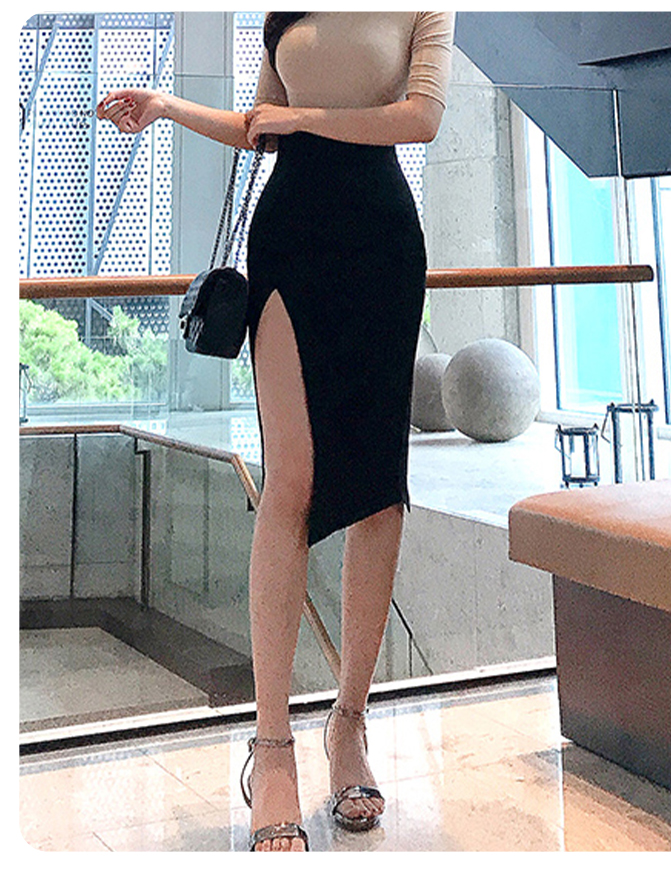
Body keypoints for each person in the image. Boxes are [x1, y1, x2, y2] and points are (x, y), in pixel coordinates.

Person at [98, 11, 454, 852]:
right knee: (290, 477)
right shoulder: (283, 11)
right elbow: (260, 126)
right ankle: (272, 748)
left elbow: (421, 119)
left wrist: (305, 119)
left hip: (382, 240)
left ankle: (349, 723)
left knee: (380, 489)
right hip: (291, 237)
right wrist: (167, 105)